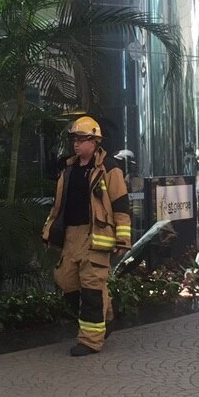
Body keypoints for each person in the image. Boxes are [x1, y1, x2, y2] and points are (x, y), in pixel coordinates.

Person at [42, 115, 131, 356]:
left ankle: (91, 341)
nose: (77, 144)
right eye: (75, 140)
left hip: (97, 238)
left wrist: (123, 240)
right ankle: (107, 314)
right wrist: (50, 233)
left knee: (92, 288)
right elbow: (58, 206)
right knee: (65, 281)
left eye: (82, 139)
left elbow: (121, 206)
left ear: (95, 141)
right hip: (72, 236)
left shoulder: (110, 169)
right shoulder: (68, 171)